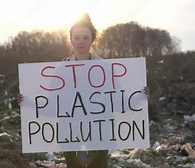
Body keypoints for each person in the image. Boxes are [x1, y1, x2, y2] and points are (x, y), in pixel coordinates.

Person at [18, 13, 150, 168]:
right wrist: (28, 102)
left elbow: (118, 101)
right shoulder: (61, 70)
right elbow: (53, 105)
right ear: (71, 40)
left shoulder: (105, 68)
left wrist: (140, 96)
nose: (81, 42)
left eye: (85, 37)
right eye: (77, 37)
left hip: (100, 132)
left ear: (93, 40)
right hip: (70, 133)